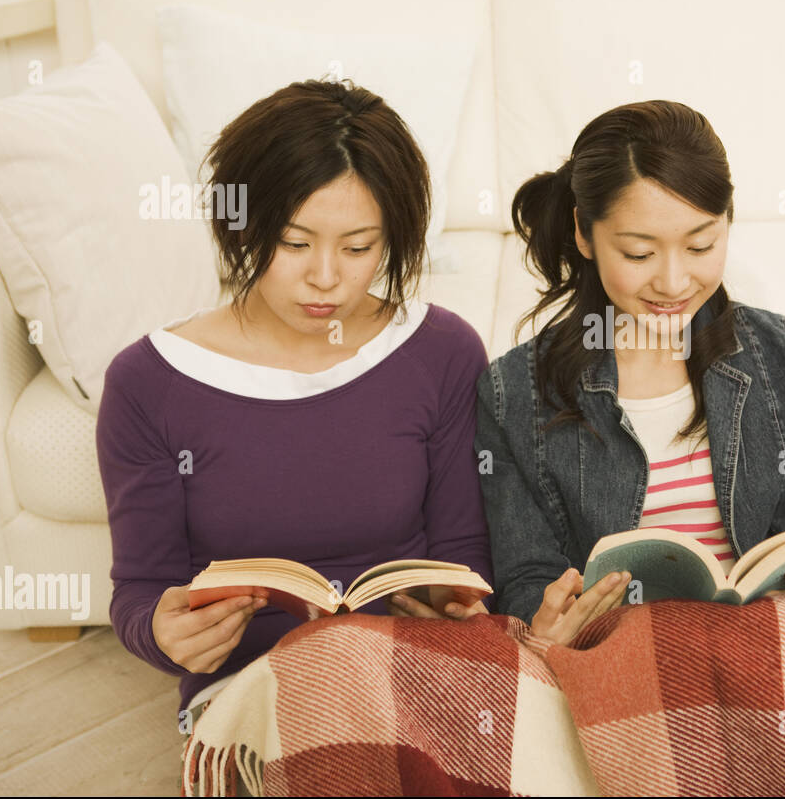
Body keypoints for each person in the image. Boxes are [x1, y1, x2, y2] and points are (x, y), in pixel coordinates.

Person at [96, 79, 493, 735]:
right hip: (251, 695)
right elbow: (141, 589)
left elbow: (462, 551)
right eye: (295, 242)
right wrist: (163, 633)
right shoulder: (149, 381)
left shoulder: (441, 351)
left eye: (359, 247)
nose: (326, 278)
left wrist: (460, 607)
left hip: (415, 676)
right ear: (243, 223)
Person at [476, 99, 785, 641]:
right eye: (639, 254)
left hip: (764, 647)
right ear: (584, 233)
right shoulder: (514, 393)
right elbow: (527, 581)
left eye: (700, 245)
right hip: (612, 658)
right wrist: (543, 622)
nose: (672, 282)